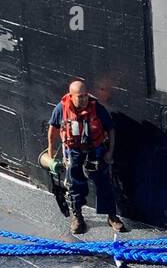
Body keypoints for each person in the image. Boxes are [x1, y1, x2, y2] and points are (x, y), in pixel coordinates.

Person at [47, 80, 129, 235]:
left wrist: (110, 152)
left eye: (85, 96)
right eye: (80, 97)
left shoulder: (97, 109)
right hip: (73, 151)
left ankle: (111, 215)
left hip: (95, 150)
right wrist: (51, 154)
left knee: (104, 182)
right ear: (71, 96)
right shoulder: (61, 109)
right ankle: (77, 217)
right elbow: (52, 130)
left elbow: (110, 129)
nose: (84, 99)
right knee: (74, 185)